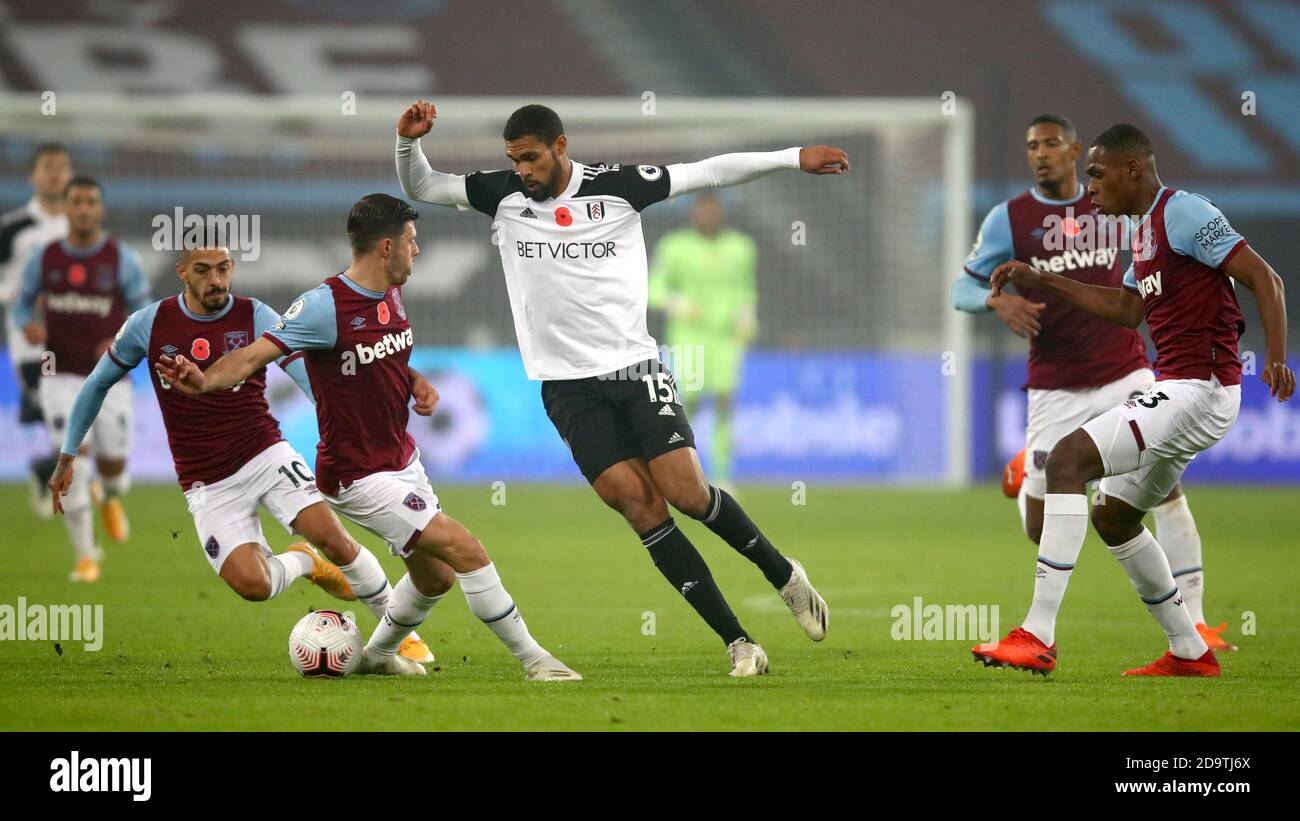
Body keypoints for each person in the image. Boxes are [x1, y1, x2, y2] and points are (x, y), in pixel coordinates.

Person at [394, 99, 842, 676]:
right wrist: (408, 143)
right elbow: (425, 185)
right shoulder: (499, 194)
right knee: (639, 508)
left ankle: (785, 576)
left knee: (687, 494)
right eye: (514, 160)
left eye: (531, 158)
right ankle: (739, 643)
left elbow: (708, 171)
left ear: (560, 147)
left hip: (633, 368)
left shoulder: (621, 186)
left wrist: (791, 158)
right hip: (565, 386)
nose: (523, 171)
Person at [157, 195, 579, 681]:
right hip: (357, 475)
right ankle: (535, 661)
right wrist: (206, 380)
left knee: (435, 576)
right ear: (385, 247)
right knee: (467, 549)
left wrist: (413, 378)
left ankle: (377, 656)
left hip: (402, 460)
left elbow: (382, 354)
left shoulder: (392, 291)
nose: (417, 251)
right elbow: (254, 356)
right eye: (412, 241)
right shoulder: (323, 306)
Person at [974, 124, 1293, 677]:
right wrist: (1045, 280)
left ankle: (1037, 635)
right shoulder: (1142, 231)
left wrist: (1277, 358)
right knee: (1115, 517)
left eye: (1097, 174)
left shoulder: (1185, 212)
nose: (1090, 186)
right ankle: (1189, 650)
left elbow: (1266, 278)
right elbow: (1127, 309)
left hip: (1201, 388)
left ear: (1134, 171)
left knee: (1069, 462)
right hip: (1185, 388)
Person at [50, 241, 435, 664]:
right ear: (181, 271)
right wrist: (68, 454)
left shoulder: (256, 316)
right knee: (254, 586)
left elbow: (310, 375)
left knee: (333, 538)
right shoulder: (150, 324)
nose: (215, 280)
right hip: (206, 480)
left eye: (223, 268)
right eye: (202, 270)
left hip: (265, 453)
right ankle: (304, 563)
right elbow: (96, 383)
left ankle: (400, 636)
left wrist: (344, 425)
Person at [13, 176, 145, 581]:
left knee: (115, 470)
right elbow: (21, 308)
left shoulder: (122, 259)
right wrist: (28, 327)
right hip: (58, 375)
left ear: (100, 209)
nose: (84, 208)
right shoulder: (45, 257)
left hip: (109, 379)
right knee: (73, 464)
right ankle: (86, 556)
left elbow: (144, 313)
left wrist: (119, 335)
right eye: (77, 202)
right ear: (66, 209)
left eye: (91, 202)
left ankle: (109, 496)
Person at [648, 191, 757, 491]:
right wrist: (674, 302)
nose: (707, 215)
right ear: (693, 213)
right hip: (689, 336)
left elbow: (746, 289)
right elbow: (653, 288)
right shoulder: (674, 246)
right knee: (686, 404)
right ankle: (687, 474)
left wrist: (748, 313)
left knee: (725, 402)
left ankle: (723, 475)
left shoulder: (741, 247)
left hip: (725, 337)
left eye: (712, 210)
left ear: (721, 212)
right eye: (701, 210)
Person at [1, 143, 72, 516]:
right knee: (56, 407)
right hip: (31, 342)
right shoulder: (13, 229)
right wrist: (18, 297)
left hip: (76, 338)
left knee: (69, 413)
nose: (55, 174)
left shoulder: (82, 227)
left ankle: (46, 466)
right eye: (48, 167)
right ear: (33, 175)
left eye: (62, 167)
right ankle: (50, 470)